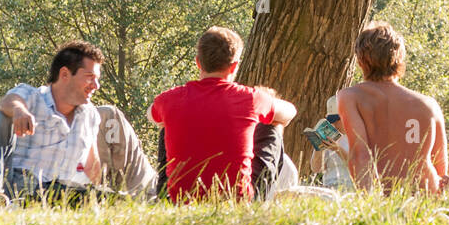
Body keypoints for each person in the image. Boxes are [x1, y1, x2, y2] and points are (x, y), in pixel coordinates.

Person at [337, 22, 449, 195]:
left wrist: (369, 200)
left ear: (361, 60)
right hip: (425, 194)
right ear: (399, 58)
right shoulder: (429, 105)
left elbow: (360, 155)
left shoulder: (350, 97)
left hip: (383, 194)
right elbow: (441, 168)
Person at [148, 27, 297, 202]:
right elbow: (290, 112)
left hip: (179, 200)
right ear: (234, 66)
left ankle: (165, 198)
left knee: (166, 125)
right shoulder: (251, 98)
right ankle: (259, 201)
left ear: (198, 62)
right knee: (271, 124)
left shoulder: (169, 99)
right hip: (237, 200)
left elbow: (151, 116)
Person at [0, 41, 106, 205]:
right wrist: (19, 111)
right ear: (65, 74)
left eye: (97, 79)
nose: (96, 86)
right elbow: (9, 101)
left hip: (55, 193)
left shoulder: (90, 115)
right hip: (18, 185)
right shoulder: (33, 97)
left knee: (102, 197)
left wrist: (98, 195)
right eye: (90, 78)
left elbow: (92, 166)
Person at [308, 94, 354, 191]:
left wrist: (337, 149)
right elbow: (316, 169)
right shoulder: (330, 134)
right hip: (328, 188)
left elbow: (358, 165)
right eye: (331, 120)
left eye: (337, 120)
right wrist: (318, 149)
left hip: (350, 188)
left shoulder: (360, 136)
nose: (333, 124)